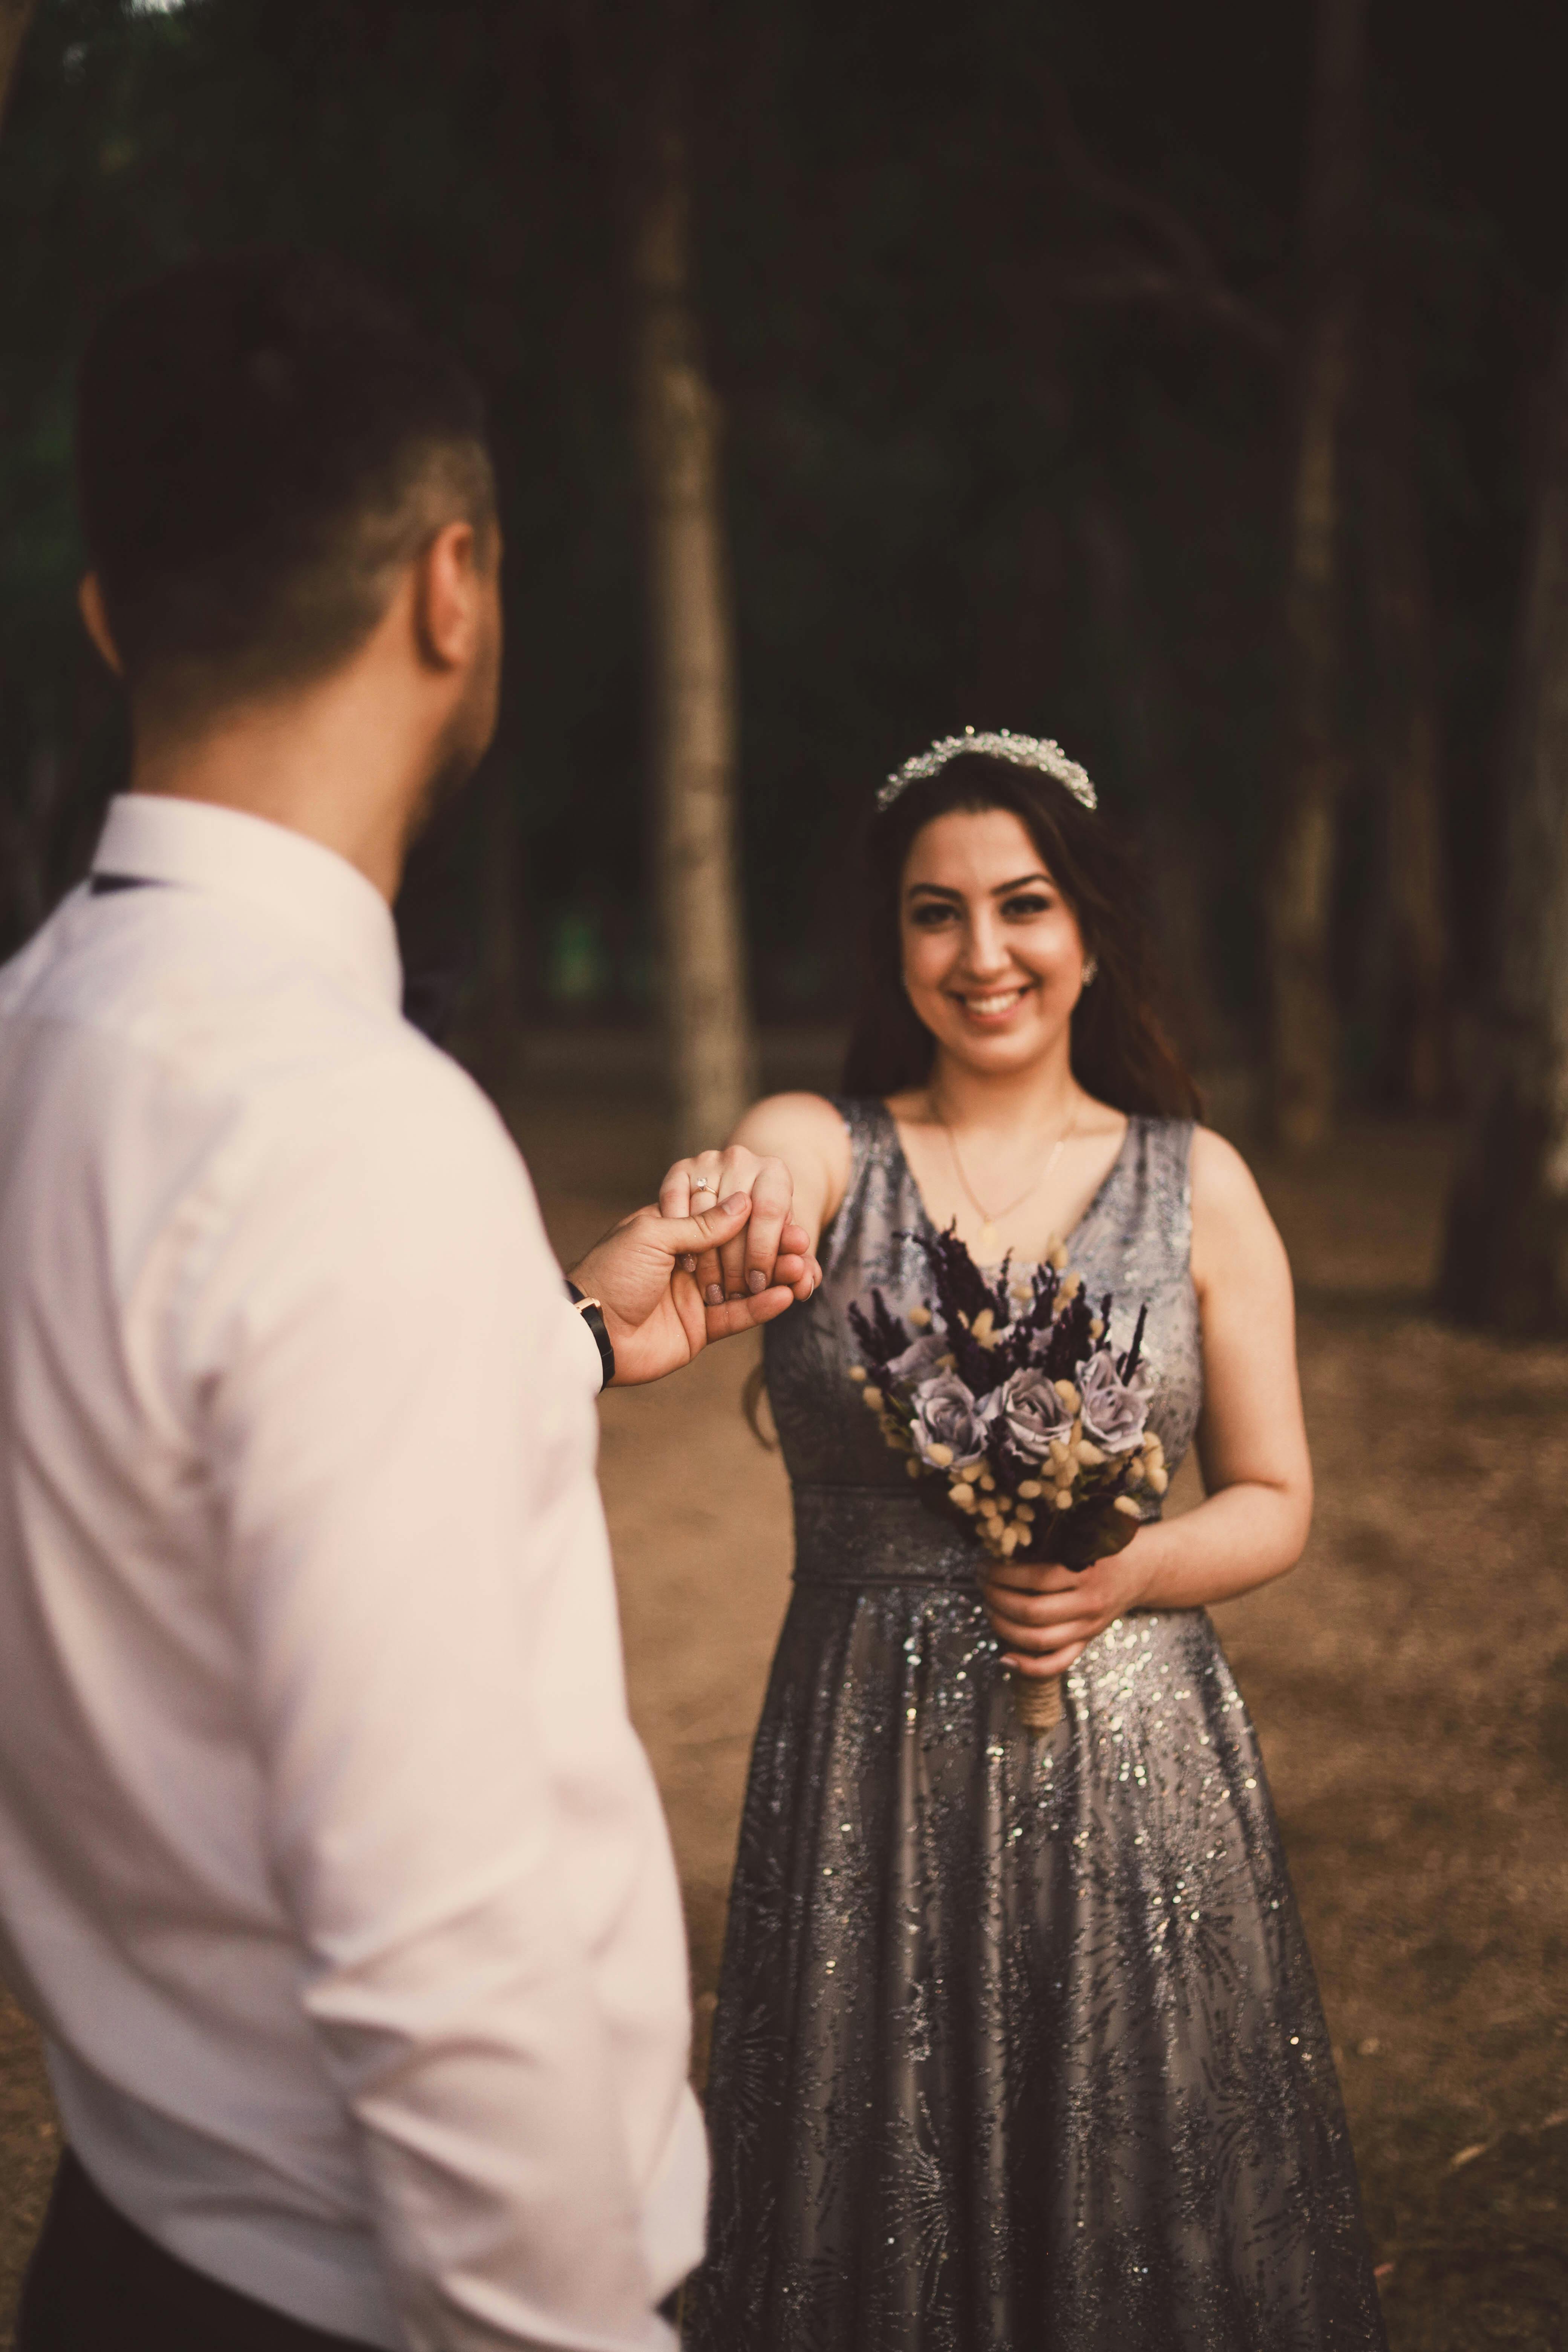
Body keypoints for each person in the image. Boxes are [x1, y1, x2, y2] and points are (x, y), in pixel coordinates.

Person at [0, 249, 818, 2352]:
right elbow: (449, 1964)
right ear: (452, 591)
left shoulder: (32, 1048)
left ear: (107, 622)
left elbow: (161, 1492)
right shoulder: (351, 1138)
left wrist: (553, 1340)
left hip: (131, 2243)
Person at [673, 733, 1389, 2349]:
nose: (980, 954)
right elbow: (763, 1170)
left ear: (1088, 929)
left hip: (1132, 1775)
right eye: (935, 914)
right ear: (894, 942)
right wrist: (730, 1188)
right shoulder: (823, 1146)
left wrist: (1128, 1572)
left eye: (1021, 906)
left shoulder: (1194, 1180)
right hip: (866, 1766)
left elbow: (1274, 1497)